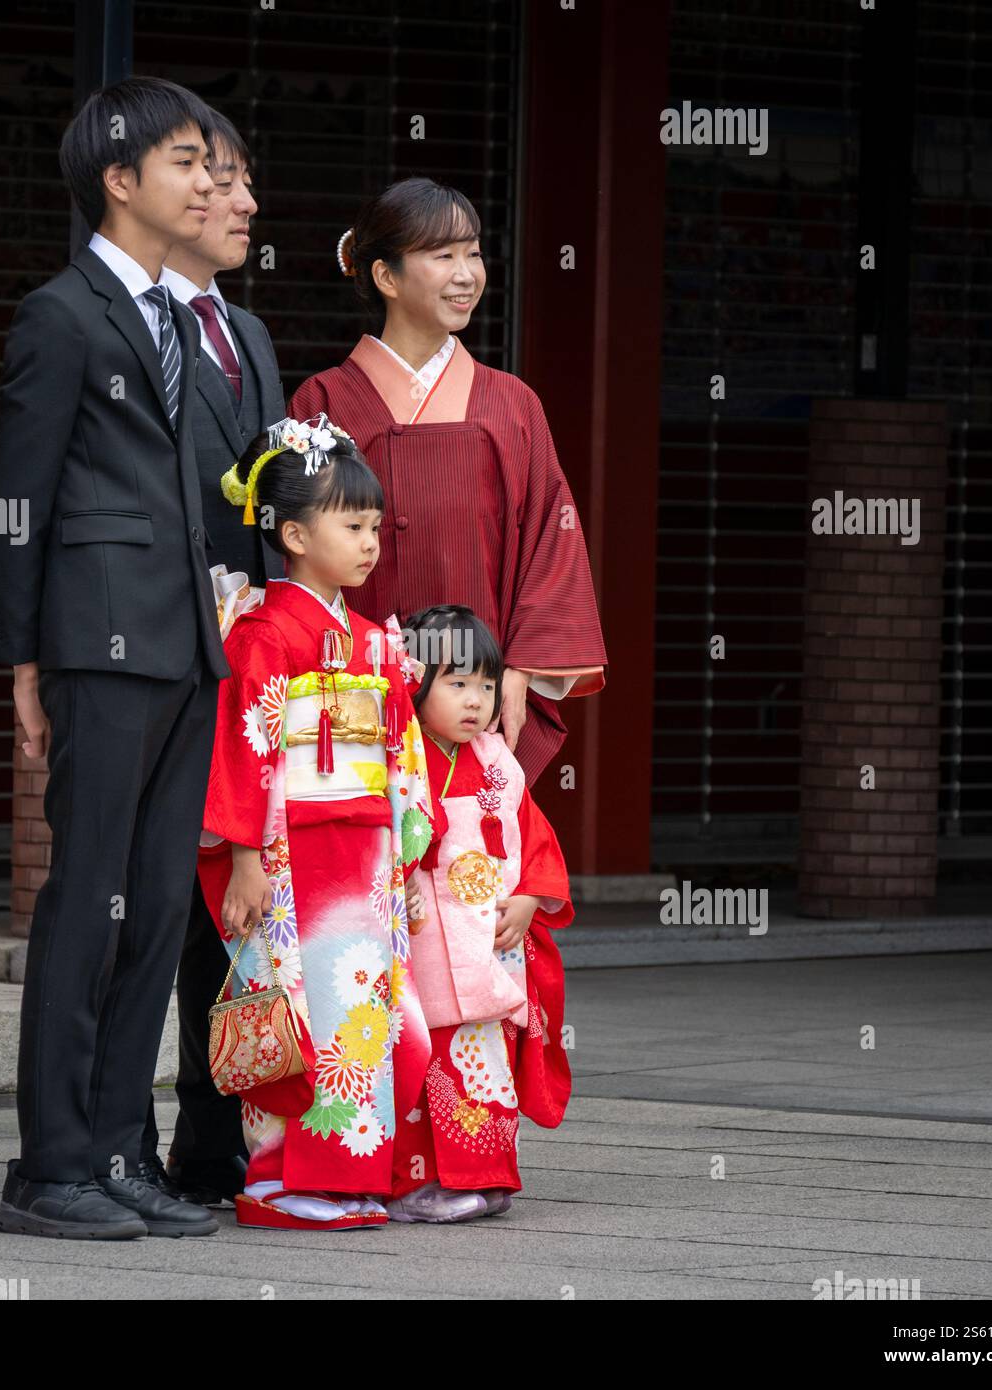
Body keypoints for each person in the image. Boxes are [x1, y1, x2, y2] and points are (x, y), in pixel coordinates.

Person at [0, 76, 223, 1239]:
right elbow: (16, 497)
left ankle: (124, 1149)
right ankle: (50, 1165)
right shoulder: (60, 313)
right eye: (185, 160)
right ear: (119, 181)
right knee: (88, 899)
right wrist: (22, 661)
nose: (208, 180)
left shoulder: (185, 321)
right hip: (98, 643)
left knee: (161, 905)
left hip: (191, 649)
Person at [196, 414, 438, 1230]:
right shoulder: (265, 634)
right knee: (301, 1008)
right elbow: (250, 746)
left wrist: (408, 859)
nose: (370, 543)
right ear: (293, 534)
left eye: (375, 526)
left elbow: (404, 757)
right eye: (352, 525)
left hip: (365, 860)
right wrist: (244, 858)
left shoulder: (374, 644)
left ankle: (352, 1176)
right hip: (293, 856)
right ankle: (278, 1182)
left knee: (364, 1012)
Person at [288, 177, 607, 788]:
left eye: (474, 252)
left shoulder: (512, 404)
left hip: (471, 699)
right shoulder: (323, 401)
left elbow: (552, 542)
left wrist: (516, 672)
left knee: (467, 869)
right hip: (353, 693)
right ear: (386, 275)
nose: (467, 274)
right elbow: (296, 554)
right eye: (443, 256)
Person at [137, 102, 287, 1208]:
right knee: (155, 896)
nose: (238, 202)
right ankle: (117, 1137)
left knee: (232, 904)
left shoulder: (253, 334)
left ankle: (214, 1130)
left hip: (249, 668)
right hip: (162, 648)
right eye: (215, 179)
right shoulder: (141, 327)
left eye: (241, 183)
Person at [384, 606, 573, 1222]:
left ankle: (487, 1175)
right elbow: (379, 837)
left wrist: (527, 897)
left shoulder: (498, 764)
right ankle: (416, 1186)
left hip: (487, 944)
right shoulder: (400, 758)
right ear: (416, 683)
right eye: (457, 683)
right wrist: (394, 883)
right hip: (425, 946)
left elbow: (533, 836)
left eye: (486, 686)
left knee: (483, 1059)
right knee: (424, 1057)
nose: (476, 702)